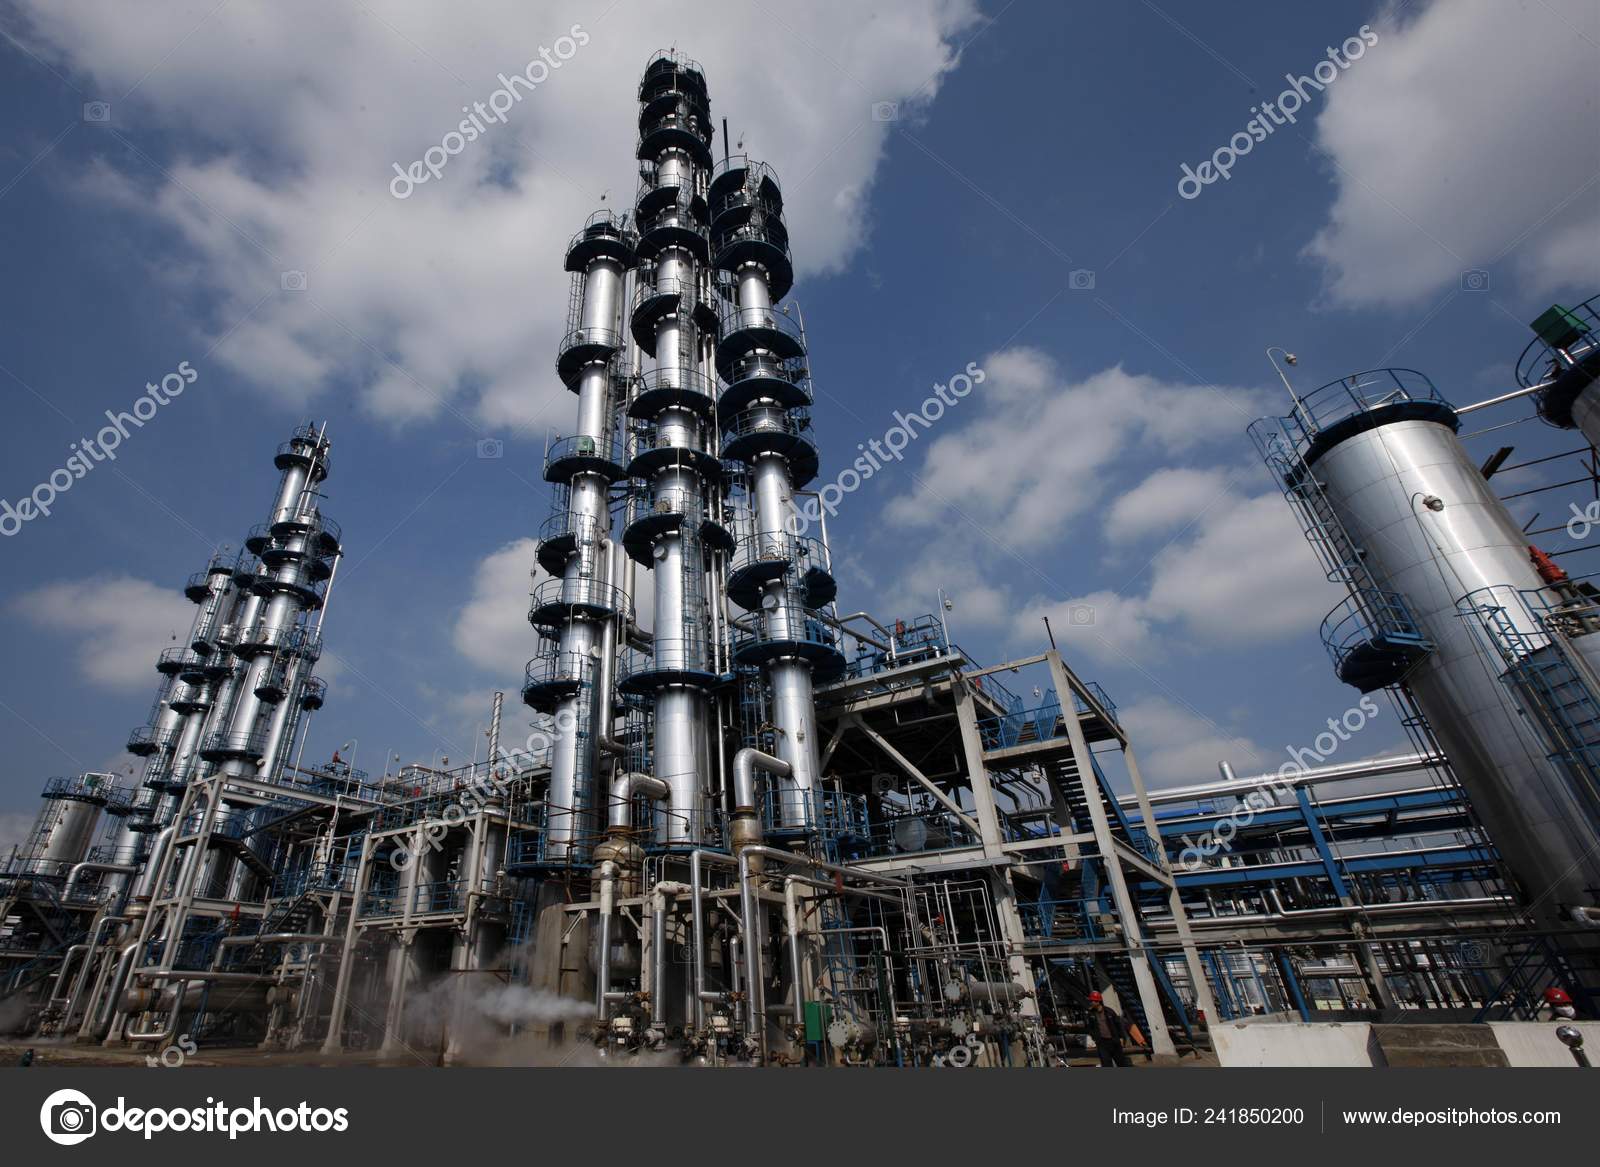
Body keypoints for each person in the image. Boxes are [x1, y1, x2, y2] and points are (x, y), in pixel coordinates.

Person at [1087, 991, 1144, 1067]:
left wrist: (1121, 1037)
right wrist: (1095, 1038)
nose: (1091, 1002)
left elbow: (1118, 1025)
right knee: (1106, 1064)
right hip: (1102, 1044)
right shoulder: (1091, 1014)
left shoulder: (1109, 1012)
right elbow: (1090, 1028)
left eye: (1092, 1001)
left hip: (1114, 1041)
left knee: (1121, 1063)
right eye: (1091, 1001)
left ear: (1098, 1001)